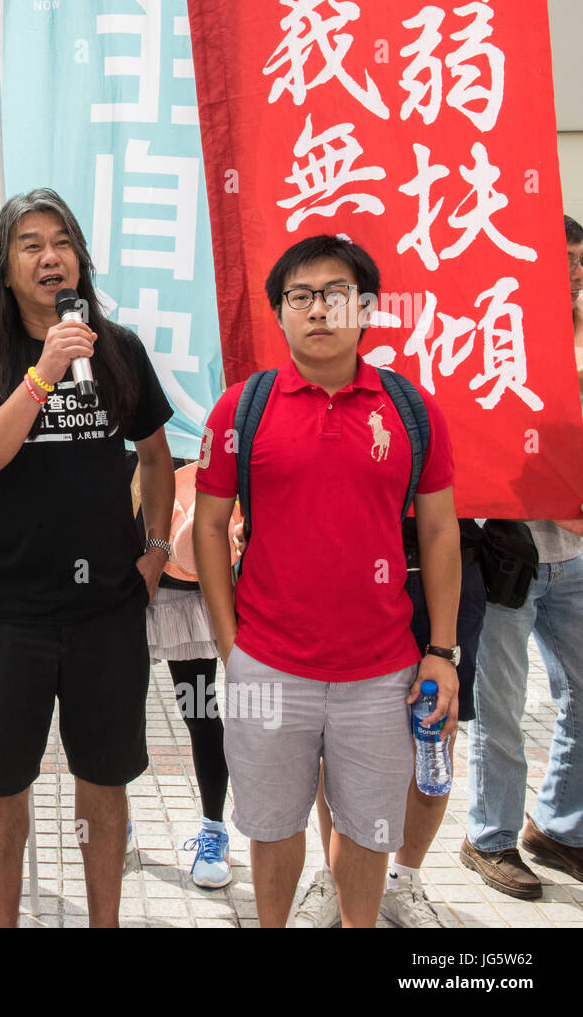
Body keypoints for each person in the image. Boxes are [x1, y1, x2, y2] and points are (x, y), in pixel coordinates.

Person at [193, 234, 461, 928]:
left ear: (365, 308)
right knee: (274, 825)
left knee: (370, 829)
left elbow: (437, 533)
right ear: (279, 313)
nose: (318, 309)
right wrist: (231, 645)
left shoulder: (411, 410)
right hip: (269, 666)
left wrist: (442, 650)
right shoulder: (241, 410)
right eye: (300, 296)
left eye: (335, 294)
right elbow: (209, 525)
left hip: (381, 670)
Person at [0, 188, 175, 927]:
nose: (50, 256)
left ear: (80, 259)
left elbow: (158, 457)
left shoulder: (119, 347)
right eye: (29, 243)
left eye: (62, 240)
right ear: (5, 269)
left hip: (106, 606)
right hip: (9, 608)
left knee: (103, 780)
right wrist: (42, 374)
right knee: (3, 783)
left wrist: (157, 551)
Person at [461, 214, 583, 897]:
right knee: (501, 706)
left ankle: (561, 827)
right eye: (560, 259)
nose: (570, 273)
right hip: (511, 549)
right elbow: (484, 433)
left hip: (577, 554)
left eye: (578, 261)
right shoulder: (496, 328)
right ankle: (492, 838)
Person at [292, 516, 487, 928]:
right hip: (357, 564)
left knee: (435, 735)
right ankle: (333, 875)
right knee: (342, 725)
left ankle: (405, 880)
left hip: (450, 561)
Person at [144, 461, 241, 889]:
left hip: (185, 581)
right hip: (115, 574)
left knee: (199, 710)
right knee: (113, 709)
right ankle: (114, 823)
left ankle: (214, 829)